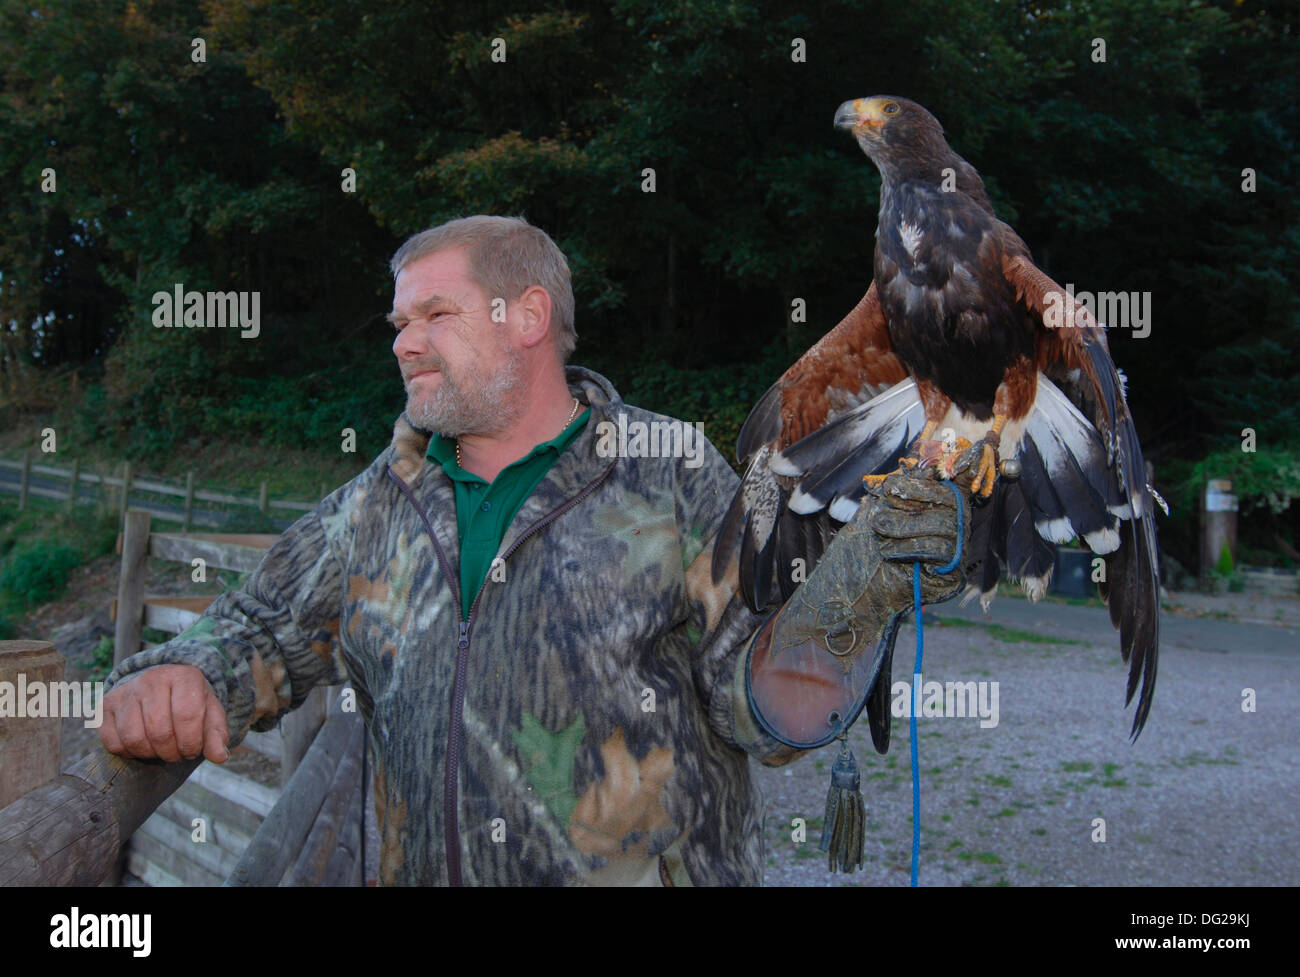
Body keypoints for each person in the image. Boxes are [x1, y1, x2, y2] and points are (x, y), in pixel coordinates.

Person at [99, 215, 968, 885]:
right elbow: (258, 627)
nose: (403, 340)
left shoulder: (669, 472)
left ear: (529, 316)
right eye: (400, 320)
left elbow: (760, 705)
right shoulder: (375, 501)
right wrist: (182, 671)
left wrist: (854, 599)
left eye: (436, 313)